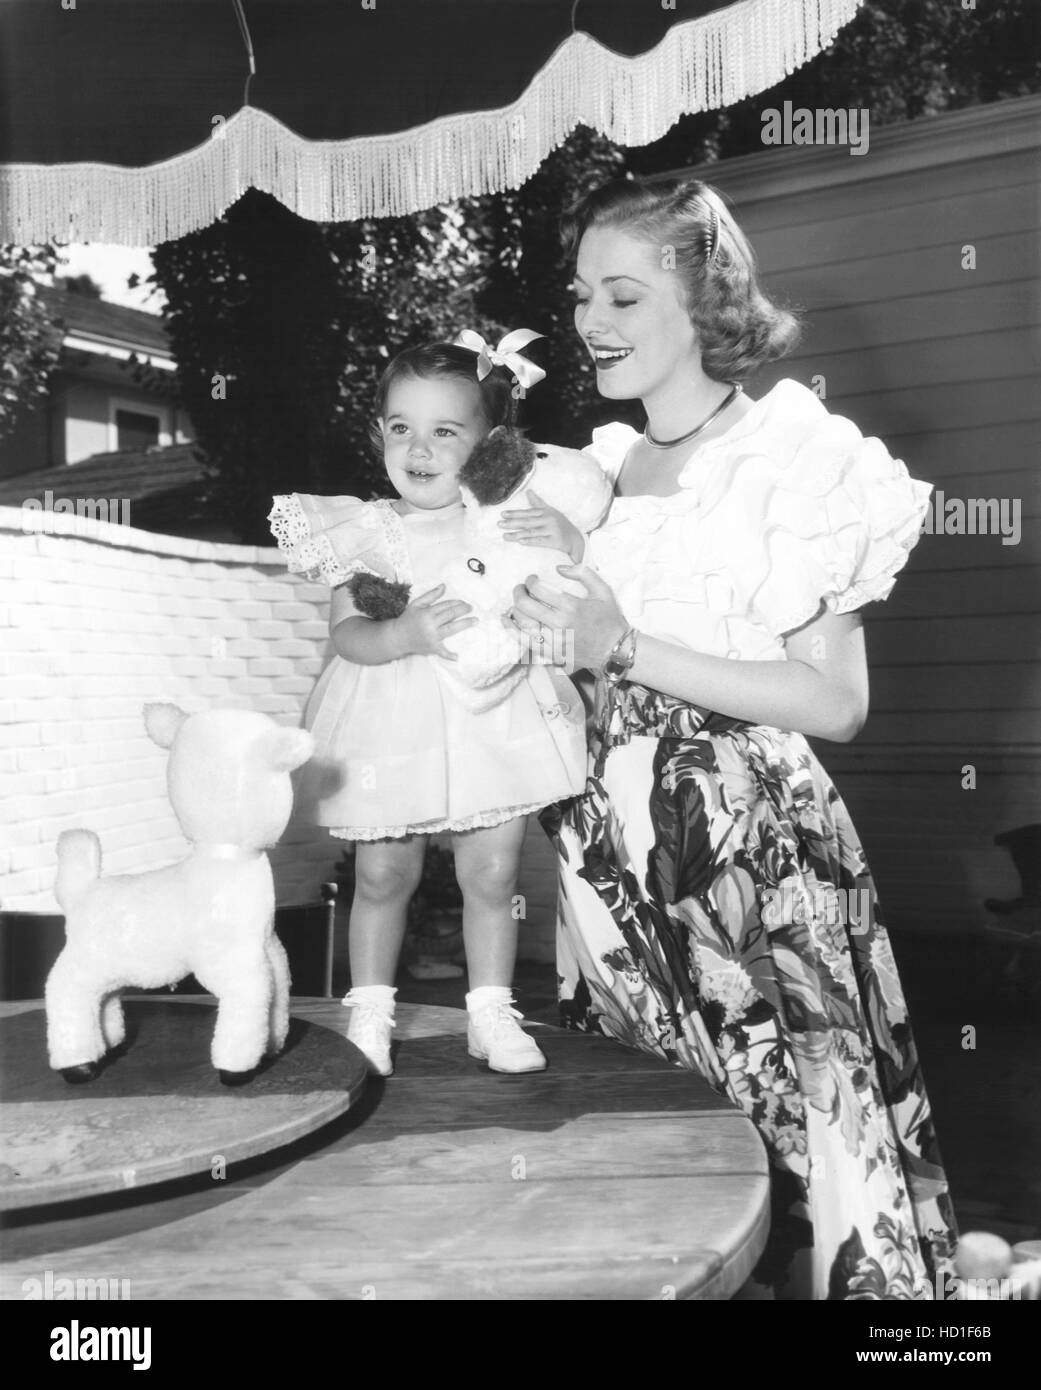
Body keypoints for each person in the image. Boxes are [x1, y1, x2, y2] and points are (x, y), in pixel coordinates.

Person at [509, 177, 958, 1299]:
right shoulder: (594, 471)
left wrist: (621, 645)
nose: (591, 322)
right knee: (658, 1178)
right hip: (610, 871)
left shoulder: (792, 457)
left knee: (798, 1174)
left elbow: (836, 701)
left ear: (705, 300)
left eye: (622, 294)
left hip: (754, 863)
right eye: (580, 297)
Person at [269, 341, 586, 1078]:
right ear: (379, 432)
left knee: (491, 877)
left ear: (487, 447)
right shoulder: (363, 529)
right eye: (401, 427)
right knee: (381, 876)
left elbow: (565, 575)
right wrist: (402, 633)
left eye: (446, 431)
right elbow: (347, 636)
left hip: (491, 712)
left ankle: (490, 1012)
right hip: (392, 720)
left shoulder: (504, 519)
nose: (419, 447)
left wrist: (569, 541)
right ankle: (371, 1008)